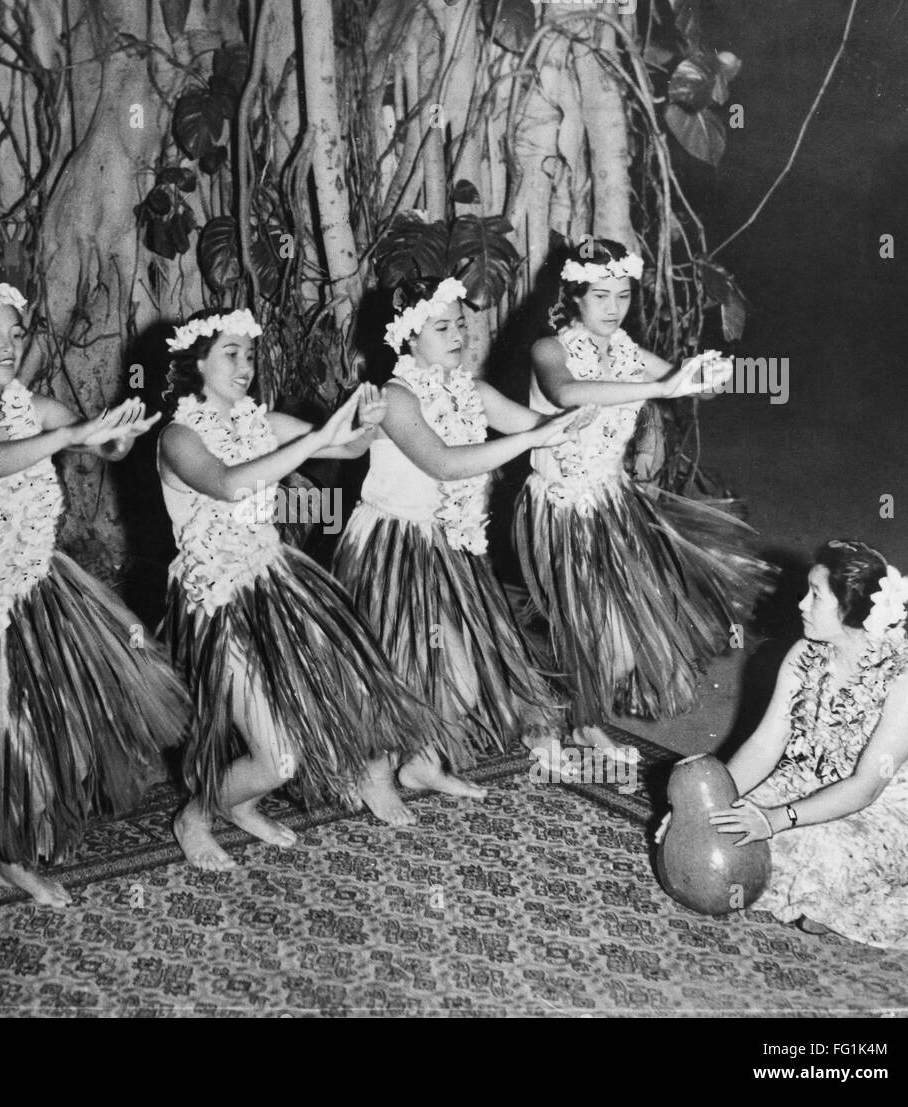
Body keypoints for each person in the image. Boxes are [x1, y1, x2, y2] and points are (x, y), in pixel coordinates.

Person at [0, 284, 187, 926]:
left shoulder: (29, 405)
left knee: (40, 735)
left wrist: (118, 435)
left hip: (37, 588)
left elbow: (99, 443)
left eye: (17, 333)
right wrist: (75, 434)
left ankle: (8, 855)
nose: (10, 347)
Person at [158, 307, 448, 868]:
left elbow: (346, 450)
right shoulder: (177, 437)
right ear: (197, 361)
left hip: (279, 583)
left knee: (338, 699)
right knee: (280, 758)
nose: (245, 366)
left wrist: (364, 421)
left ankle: (244, 806)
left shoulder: (257, 421)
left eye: (249, 353)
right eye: (230, 354)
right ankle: (195, 813)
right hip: (218, 603)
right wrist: (307, 440)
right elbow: (227, 483)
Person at [515, 238, 773, 748]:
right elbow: (568, 393)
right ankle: (551, 718)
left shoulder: (628, 350)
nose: (614, 309)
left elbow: (688, 384)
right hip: (562, 506)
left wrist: (710, 376)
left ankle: (581, 721)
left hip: (614, 501)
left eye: (624, 296)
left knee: (621, 637)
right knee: (601, 634)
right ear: (574, 297)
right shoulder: (551, 349)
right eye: (600, 296)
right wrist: (663, 388)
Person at [332, 276, 578, 810]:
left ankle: (420, 765)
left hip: (449, 543)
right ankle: (371, 774)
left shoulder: (474, 391)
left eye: (460, 324)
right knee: (397, 667)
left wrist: (603, 406)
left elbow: (545, 427)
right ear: (407, 338)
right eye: (441, 327)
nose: (458, 335)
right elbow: (443, 462)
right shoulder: (395, 398)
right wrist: (529, 440)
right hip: (392, 547)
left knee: (460, 682)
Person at [706, 541, 908, 950]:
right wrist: (713, 801)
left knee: (811, 855)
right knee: (724, 827)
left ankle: (841, 902)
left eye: (815, 595)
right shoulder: (805, 653)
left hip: (898, 812)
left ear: (851, 609)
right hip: (811, 777)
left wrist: (776, 819)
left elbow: (867, 786)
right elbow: (764, 744)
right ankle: (821, 895)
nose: (801, 605)